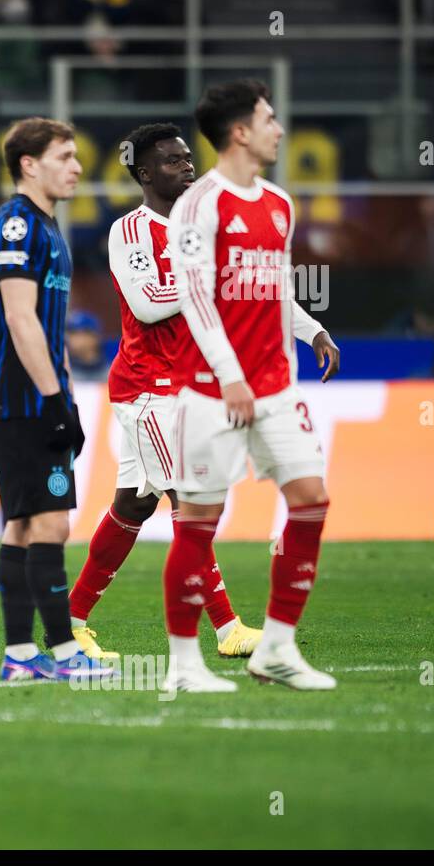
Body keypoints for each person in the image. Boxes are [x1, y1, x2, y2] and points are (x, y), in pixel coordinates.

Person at [70, 122, 339, 661]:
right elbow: (146, 304)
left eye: (189, 157)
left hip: (191, 388)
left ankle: (70, 618)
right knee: (188, 500)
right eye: (172, 161)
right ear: (145, 174)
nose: (187, 167)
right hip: (149, 389)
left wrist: (312, 330)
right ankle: (228, 628)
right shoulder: (130, 231)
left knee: (134, 504)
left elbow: (253, 287)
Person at [165, 80, 339, 692]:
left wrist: (312, 330)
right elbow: (194, 298)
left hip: (275, 389)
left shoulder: (279, 205)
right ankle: (184, 666)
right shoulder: (198, 206)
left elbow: (274, 288)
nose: (279, 129)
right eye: (269, 118)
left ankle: (277, 648)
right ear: (240, 131)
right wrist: (230, 377)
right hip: (211, 392)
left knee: (312, 500)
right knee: (198, 522)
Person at [0, 117, 115, 683]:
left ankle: (21, 657)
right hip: (22, 402)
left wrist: (66, 394)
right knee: (52, 525)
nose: (77, 167)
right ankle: (62, 653)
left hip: (33, 399)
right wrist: (56, 399)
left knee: (24, 527)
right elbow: (18, 317)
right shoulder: (16, 227)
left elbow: (49, 332)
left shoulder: (48, 228)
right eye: (64, 156)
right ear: (29, 164)